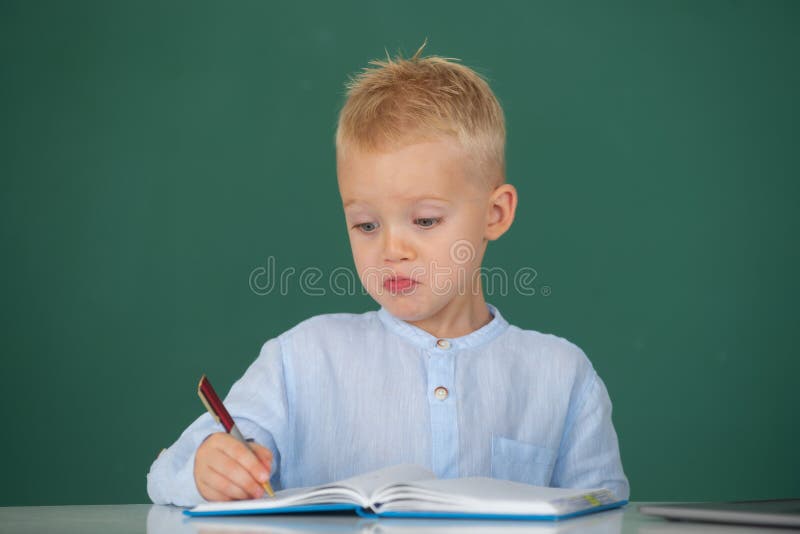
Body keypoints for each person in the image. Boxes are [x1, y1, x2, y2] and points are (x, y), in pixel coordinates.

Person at [147, 42, 630, 506]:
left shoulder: (562, 377)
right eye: (366, 225)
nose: (392, 250)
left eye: (425, 220)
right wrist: (208, 469)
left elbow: (604, 513)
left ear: (495, 214)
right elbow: (170, 473)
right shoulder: (302, 360)